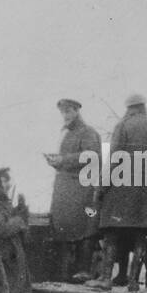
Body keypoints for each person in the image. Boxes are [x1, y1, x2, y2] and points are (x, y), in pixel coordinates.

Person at [89, 93, 147, 290]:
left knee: (112, 233)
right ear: (143, 107)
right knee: (141, 235)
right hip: (146, 192)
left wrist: (101, 187)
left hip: (122, 191)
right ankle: (133, 282)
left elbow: (114, 159)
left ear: (129, 109)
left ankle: (106, 278)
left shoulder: (122, 126)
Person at [46, 99, 101, 281]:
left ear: (77, 111)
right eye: (63, 112)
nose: (65, 115)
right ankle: (65, 272)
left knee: (83, 228)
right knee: (63, 227)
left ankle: (82, 269)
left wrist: (63, 160)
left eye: (68, 111)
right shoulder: (68, 133)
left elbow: (91, 156)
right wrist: (56, 162)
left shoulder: (88, 132)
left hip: (80, 189)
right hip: (66, 189)